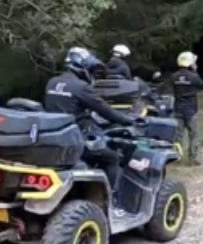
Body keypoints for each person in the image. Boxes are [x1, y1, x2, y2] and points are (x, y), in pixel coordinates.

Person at [44, 48, 141, 200]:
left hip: (54, 139)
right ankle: (109, 198)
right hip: (75, 140)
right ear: (83, 67)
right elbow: (106, 111)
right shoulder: (81, 87)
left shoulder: (52, 83)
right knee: (112, 158)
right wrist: (129, 120)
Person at [170, 51, 203, 165]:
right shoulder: (193, 76)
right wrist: (195, 71)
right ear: (190, 63)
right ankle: (193, 158)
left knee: (178, 135)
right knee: (194, 135)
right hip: (191, 110)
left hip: (178, 109)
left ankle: (177, 156)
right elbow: (201, 85)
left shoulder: (174, 76)